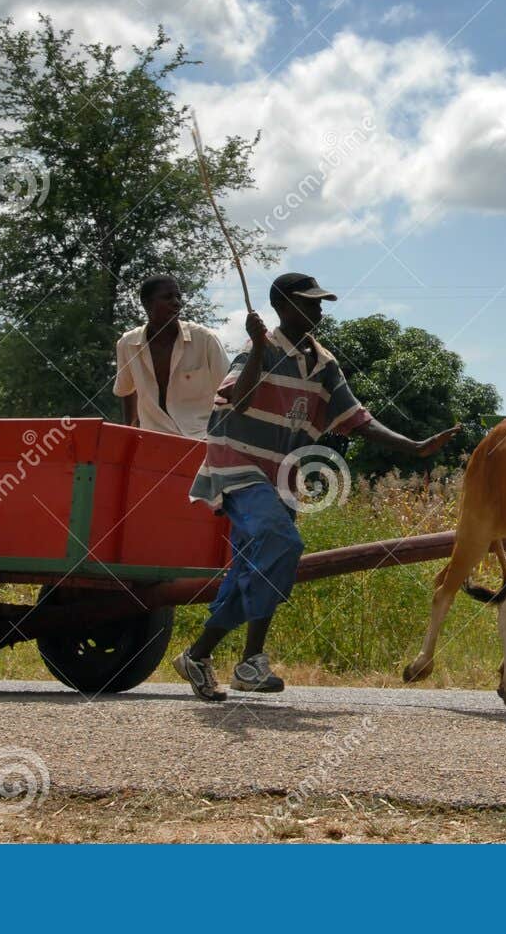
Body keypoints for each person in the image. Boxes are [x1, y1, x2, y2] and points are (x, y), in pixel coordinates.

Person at [172, 272, 460, 701]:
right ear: (283, 306)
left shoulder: (324, 363)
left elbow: (357, 418)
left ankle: (205, 656)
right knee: (282, 542)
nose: (319, 311)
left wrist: (413, 447)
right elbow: (242, 398)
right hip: (238, 466)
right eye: (310, 303)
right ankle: (249, 659)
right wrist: (256, 348)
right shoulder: (259, 348)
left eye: (320, 303)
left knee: (253, 565)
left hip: (282, 475)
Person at [113, 276, 228, 439]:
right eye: (168, 297)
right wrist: (130, 432)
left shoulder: (205, 339)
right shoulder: (127, 344)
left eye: (178, 297)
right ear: (147, 304)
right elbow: (125, 390)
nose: (176, 303)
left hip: (203, 436)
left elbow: (228, 392)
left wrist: (223, 436)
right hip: (154, 438)